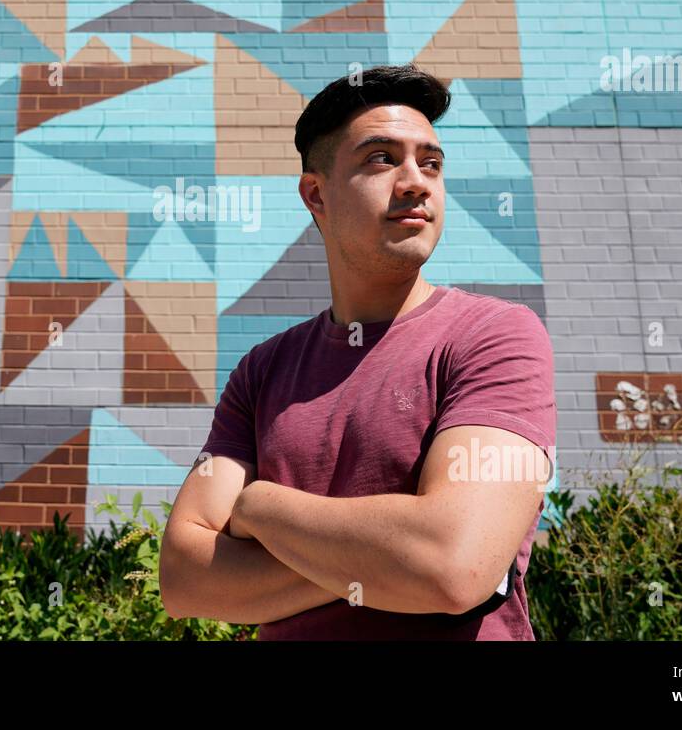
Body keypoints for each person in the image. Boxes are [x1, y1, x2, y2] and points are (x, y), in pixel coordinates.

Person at [159, 64, 557, 639]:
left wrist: (259, 508)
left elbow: (452, 567)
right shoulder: (262, 371)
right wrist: (389, 559)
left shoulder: (495, 337)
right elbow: (184, 579)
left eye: (431, 163)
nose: (416, 181)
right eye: (381, 158)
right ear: (316, 195)